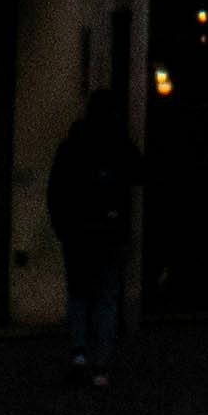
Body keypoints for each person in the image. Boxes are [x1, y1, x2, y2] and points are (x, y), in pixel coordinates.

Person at [46, 79, 139, 385]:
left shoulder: (73, 146)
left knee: (80, 294)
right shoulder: (118, 145)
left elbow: (56, 189)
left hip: (78, 233)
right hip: (109, 233)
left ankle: (79, 353)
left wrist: (62, 226)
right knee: (106, 297)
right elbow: (139, 171)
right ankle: (100, 363)